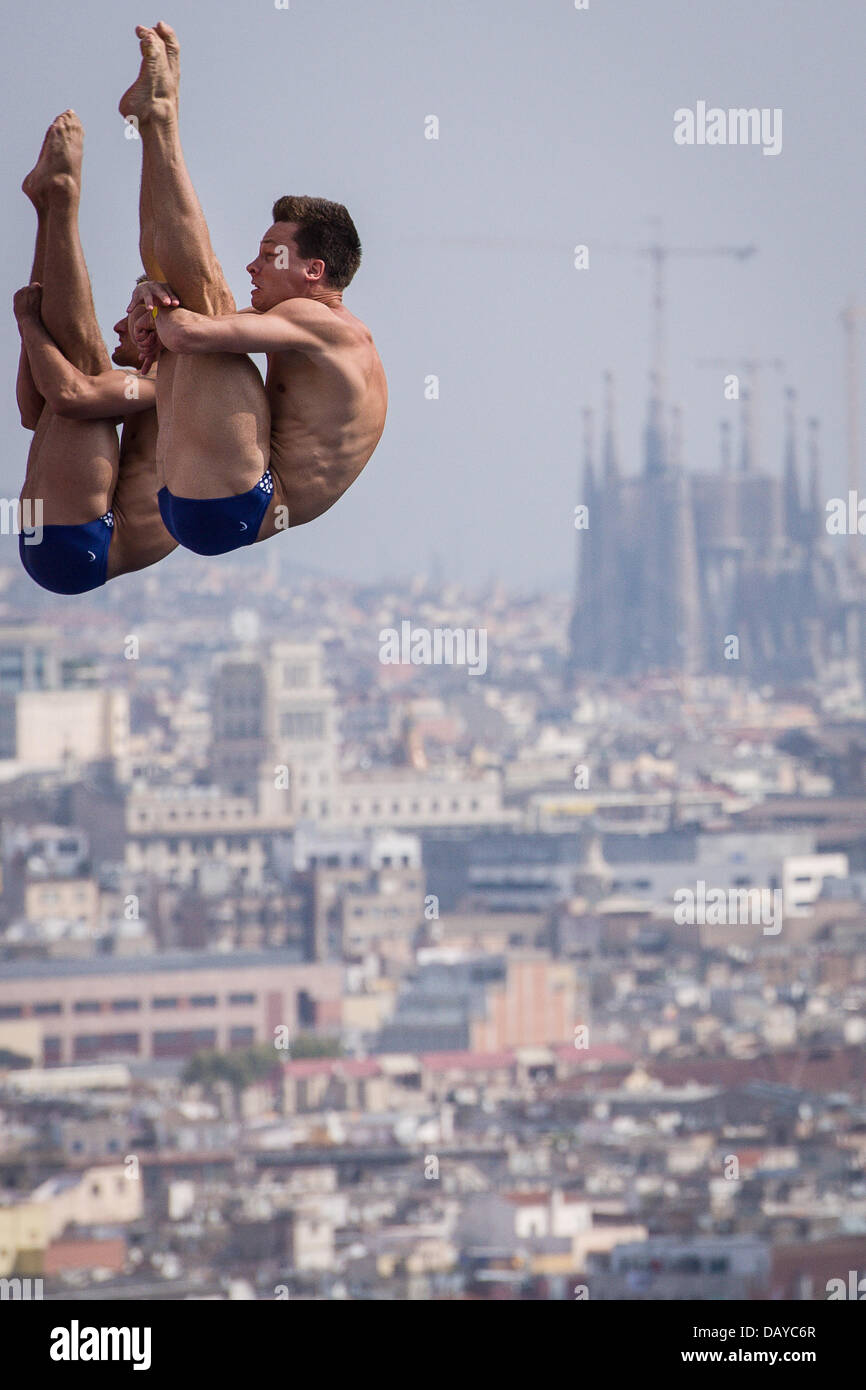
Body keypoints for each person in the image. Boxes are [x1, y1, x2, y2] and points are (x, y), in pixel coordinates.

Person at [120, 22, 388, 558]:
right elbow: (190, 330)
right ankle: (154, 124)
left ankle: (161, 120)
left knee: (201, 297)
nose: (254, 265)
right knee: (197, 299)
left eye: (271, 256)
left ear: (313, 271)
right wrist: (155, 305)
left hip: (239, 501)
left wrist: (157, 309)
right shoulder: (303, 324)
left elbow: (191, 332)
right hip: (208, 504)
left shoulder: (323, 323)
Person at [14, 111, 176, 595]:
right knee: (76, 369)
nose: (119, 324)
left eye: (133, 315)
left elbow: (70, 393)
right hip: (59, 536)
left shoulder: (164, 384)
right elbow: (35, 409)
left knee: (85, 366)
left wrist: (29, 325)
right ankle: (49, 205)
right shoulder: (142, 388)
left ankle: (61, 198)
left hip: (83, 544)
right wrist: (30, 325)